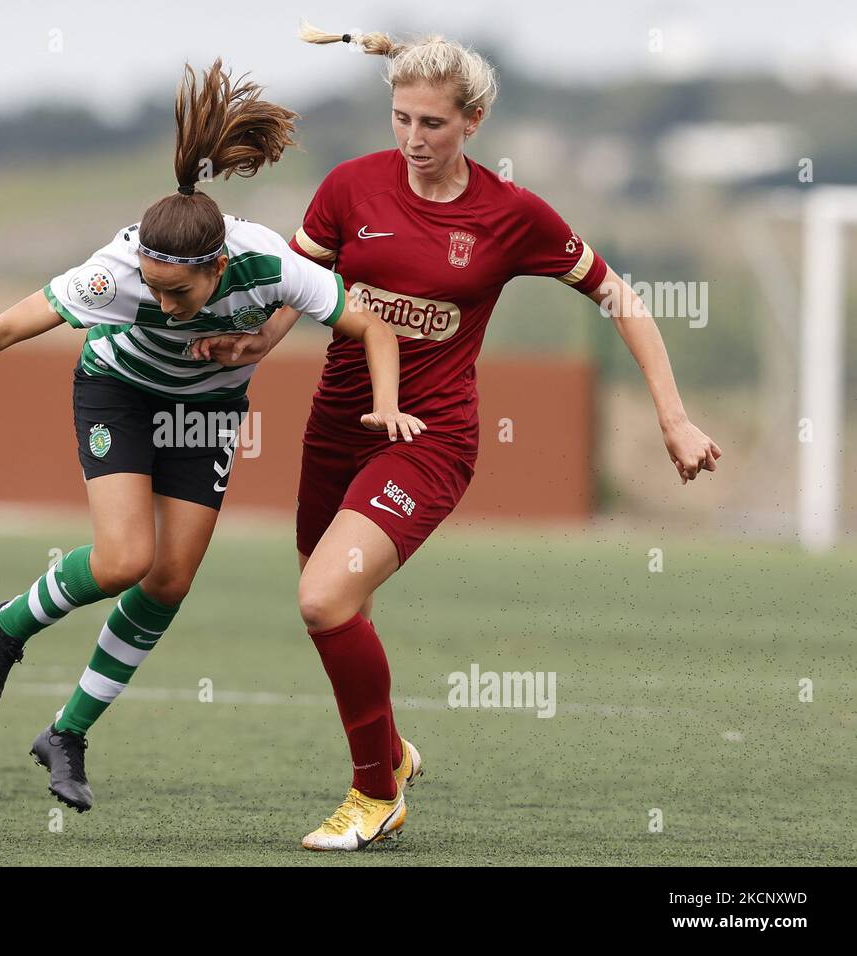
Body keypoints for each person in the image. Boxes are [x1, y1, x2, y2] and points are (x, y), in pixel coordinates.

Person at [0, 59, 421, 814]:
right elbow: (7, 327)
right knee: (123, 560)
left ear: (220, 265)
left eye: (180, 292)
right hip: (119, 396)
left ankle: (67, 733)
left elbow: (369, 323)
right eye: (153, 287)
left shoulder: (270, 263)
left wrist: (390, 405)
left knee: (169, 581)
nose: (164, 304)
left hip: (205, 414)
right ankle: (6, 627)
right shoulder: (114, 276)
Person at [190, 24, 723, 850]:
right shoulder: (349, 188)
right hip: (337, 427)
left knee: (321, 598)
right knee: (335, 608)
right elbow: (295, 286)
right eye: (401, 118)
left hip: (430, 440)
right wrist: (252, 343)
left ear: (472, 122)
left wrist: (673, 416)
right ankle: (391, 755)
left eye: (431, 124)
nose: (411, 139)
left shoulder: (511, 216)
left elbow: (620, 296)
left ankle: (375, 794)